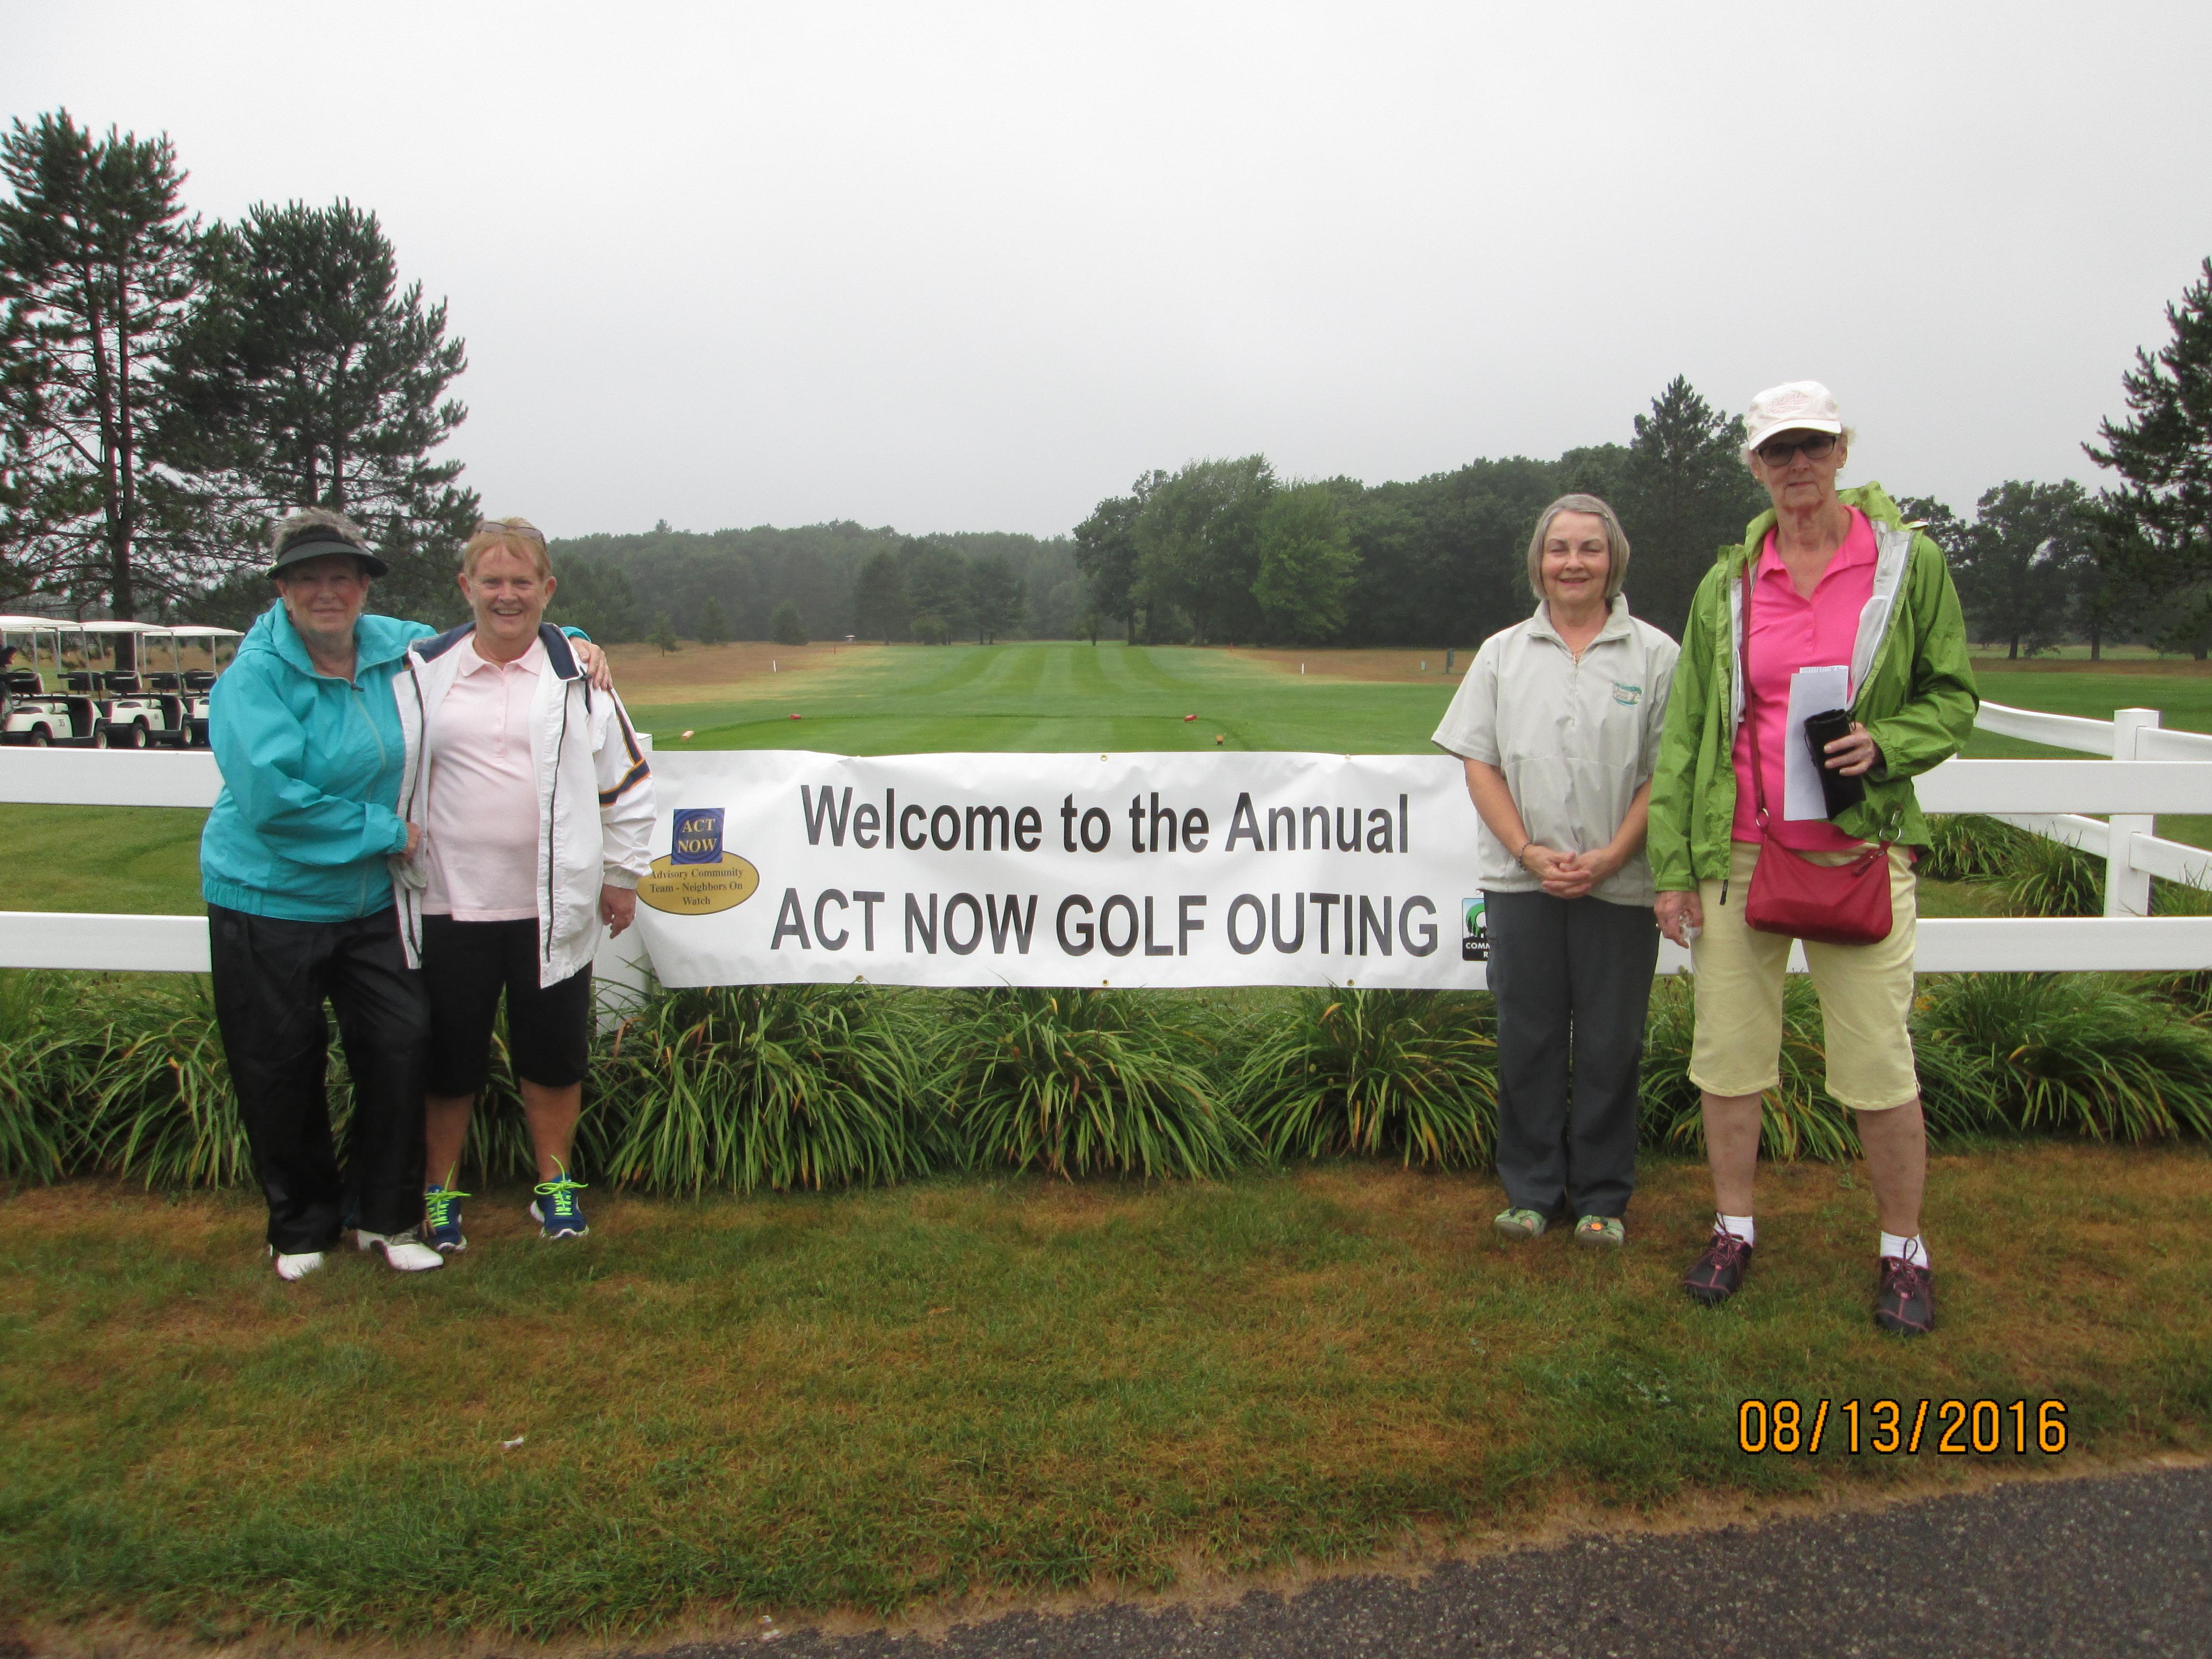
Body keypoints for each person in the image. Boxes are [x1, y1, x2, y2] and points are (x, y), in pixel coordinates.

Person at [203, 508, 615, 1282]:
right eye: (308, 579)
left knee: (398, 1052)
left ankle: (388, 1217)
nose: (328, 593)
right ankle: (300, 1227)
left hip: (367, 906)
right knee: (280, 1066)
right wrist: (384, 833)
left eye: (343, 578)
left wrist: (575, 640)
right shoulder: (254, 676)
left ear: (363, 588)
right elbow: (269, 798)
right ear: (283, 590)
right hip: (269, 897)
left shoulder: (395, 644)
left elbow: (503, 620)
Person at [1647, 382, 1977, 1336]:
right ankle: (1732, 1225)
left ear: (1842, 452)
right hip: (1739, 849)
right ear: (1755, 465)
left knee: (1879, 1059)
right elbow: (1691, 732)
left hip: (1857, 851)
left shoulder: (1907, 566)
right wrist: (1675, 867)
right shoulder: (1730, 582)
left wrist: (1888, 742)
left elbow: (1952, 699)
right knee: (1729, 1059)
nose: (1797, 467)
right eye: (1778, 451)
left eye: (1814, 447)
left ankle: (1904, 1250)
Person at [396, 517, 654, 1250]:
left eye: (521, 582)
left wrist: (622, 876)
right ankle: (439, 1194)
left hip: (554, 906)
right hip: (447, 898)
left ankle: (554, 1189)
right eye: (491, 581)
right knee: (450, 1062)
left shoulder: (580, 679)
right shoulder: (421, 672)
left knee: (552, 1057)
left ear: (547, 590)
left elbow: (628, 785)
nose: (506, 596)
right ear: (465, 587)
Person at [1433, 494, 1678, 1248]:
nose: (1573, 563)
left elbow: (1663, 776)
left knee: (1611, 1042)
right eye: (1558, 549)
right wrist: (1528, 852)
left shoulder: (1657, 655)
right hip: (1522, 885)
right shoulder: (1502, 654)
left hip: (1621, 883)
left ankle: (1603, 1194)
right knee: (1529, 1037)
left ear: (1615, 560)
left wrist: (1611, 856)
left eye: (1590, 549)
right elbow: (1480, 762)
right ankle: (1532, 1190)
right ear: (1539, 561)